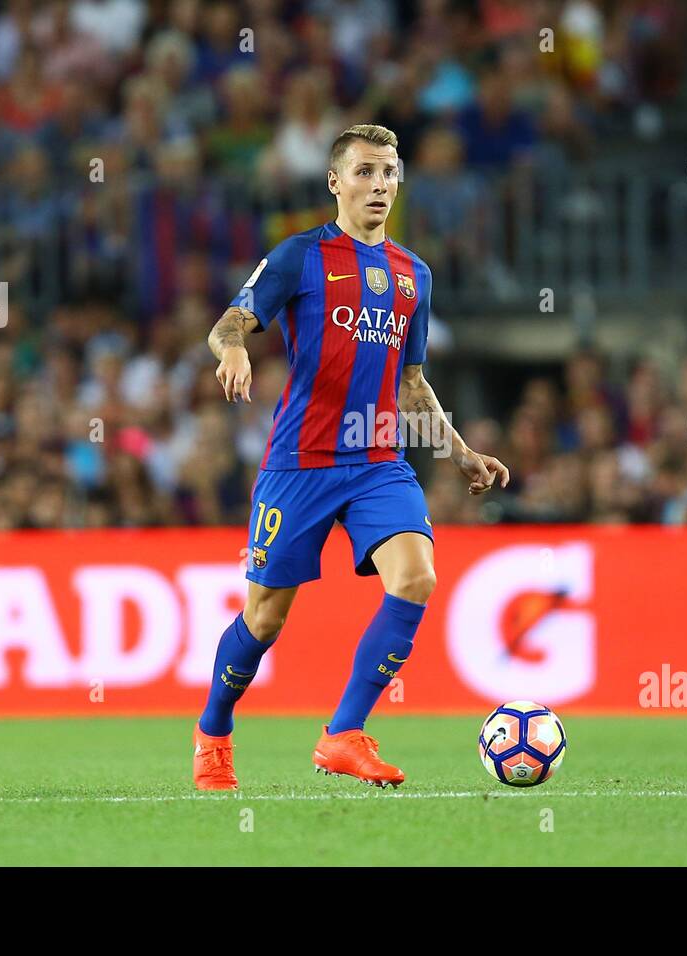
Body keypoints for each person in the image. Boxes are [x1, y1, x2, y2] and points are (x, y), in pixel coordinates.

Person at [193, 124, 510, 790]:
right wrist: (235, 348)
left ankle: (342, 733)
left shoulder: (412, 275)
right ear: (335, 182)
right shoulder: (299, 257)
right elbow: (228, 323)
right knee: (265, 618)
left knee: (416, 576)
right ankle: (215, 731)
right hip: (300, 462)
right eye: (365, 172)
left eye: (389, 172)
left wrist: (461, 454)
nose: (379, 185)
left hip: (377, 463)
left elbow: (413, 382)